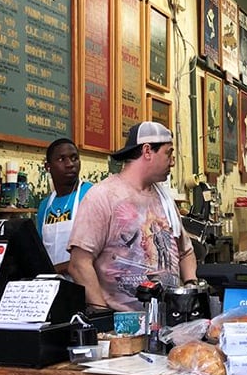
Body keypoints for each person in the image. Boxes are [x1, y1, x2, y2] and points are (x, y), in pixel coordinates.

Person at [67, 121, 197, 312]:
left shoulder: (164, 199)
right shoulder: (103, 196)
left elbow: (185, 252)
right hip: (122, 326)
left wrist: (191, 287)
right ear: (147, 151)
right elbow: (79, 263)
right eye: (168, 153)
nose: (172, 161)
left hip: (169, 320)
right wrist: (102, 315)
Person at [36, 138, 92, 272]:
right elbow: (40, 251)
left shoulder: (91, 195)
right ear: (47, 167)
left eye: (74, 158)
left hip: (84, 285)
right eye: (61, 159)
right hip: (52, 285)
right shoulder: (45, 206)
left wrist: (54, 270)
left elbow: (99, 253)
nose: (70, 164)